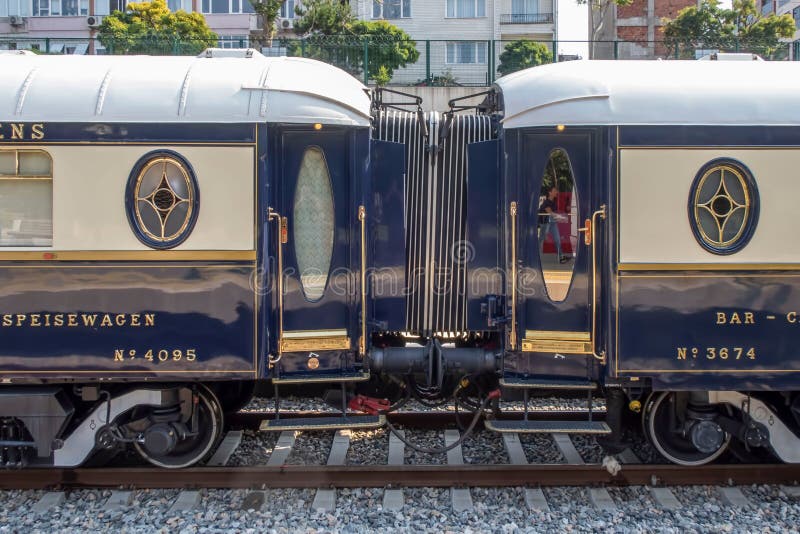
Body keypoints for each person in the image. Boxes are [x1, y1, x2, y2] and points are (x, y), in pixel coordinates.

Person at [538, 186, 570, 264]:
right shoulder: (546, 202)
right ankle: (536, 257)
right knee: (541, 240)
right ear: (550, 192)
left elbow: (555, 213)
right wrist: (561, 217)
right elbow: (550, 212)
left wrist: (562, 215)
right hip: (545, 224)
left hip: (552, 223)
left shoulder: (554, 201)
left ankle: (561, 257)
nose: (556, 192)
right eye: (555, 190)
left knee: (557, 240)